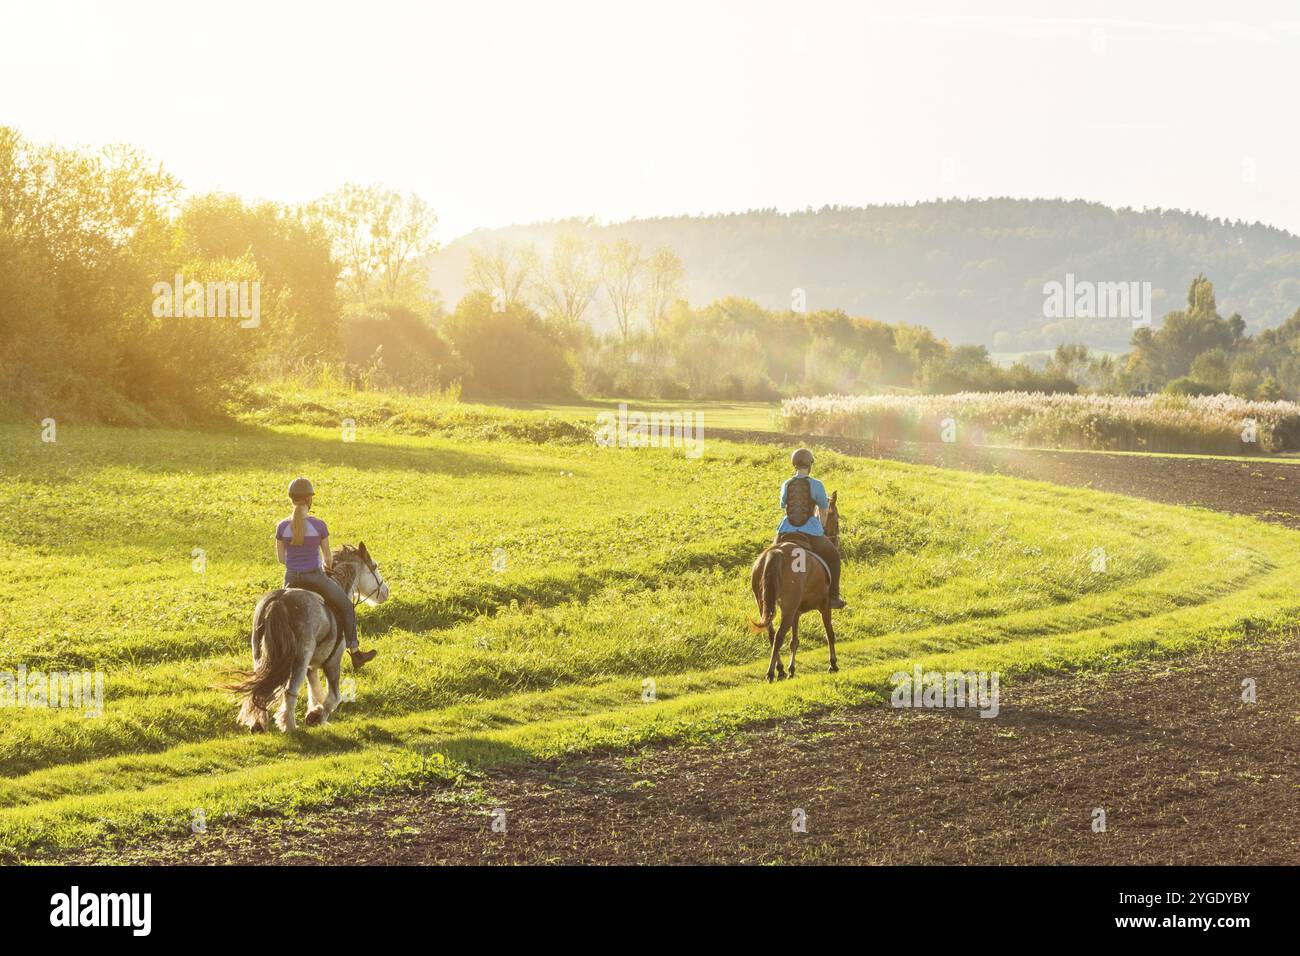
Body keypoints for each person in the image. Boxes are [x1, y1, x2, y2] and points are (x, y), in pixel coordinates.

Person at [275, 477, 377, 670]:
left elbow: (281, 559)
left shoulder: (282, 527)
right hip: (314, 577)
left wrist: (296, 565)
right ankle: (356, 653)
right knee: (347, 606)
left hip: (290, 579)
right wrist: (326, 568)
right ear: (309, 500)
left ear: (292, 499)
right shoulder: (319, 525)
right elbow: (328, 559)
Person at [775, 448, 846, 609]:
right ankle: (834, 597)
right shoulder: (817, 484)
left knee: (771, 555)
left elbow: (782, 504)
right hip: (810, 530)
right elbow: (823, 508)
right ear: (810, 465)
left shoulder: (787, 484)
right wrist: (820, 526)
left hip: (786, 530)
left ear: (794, 465)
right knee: (834, 557)